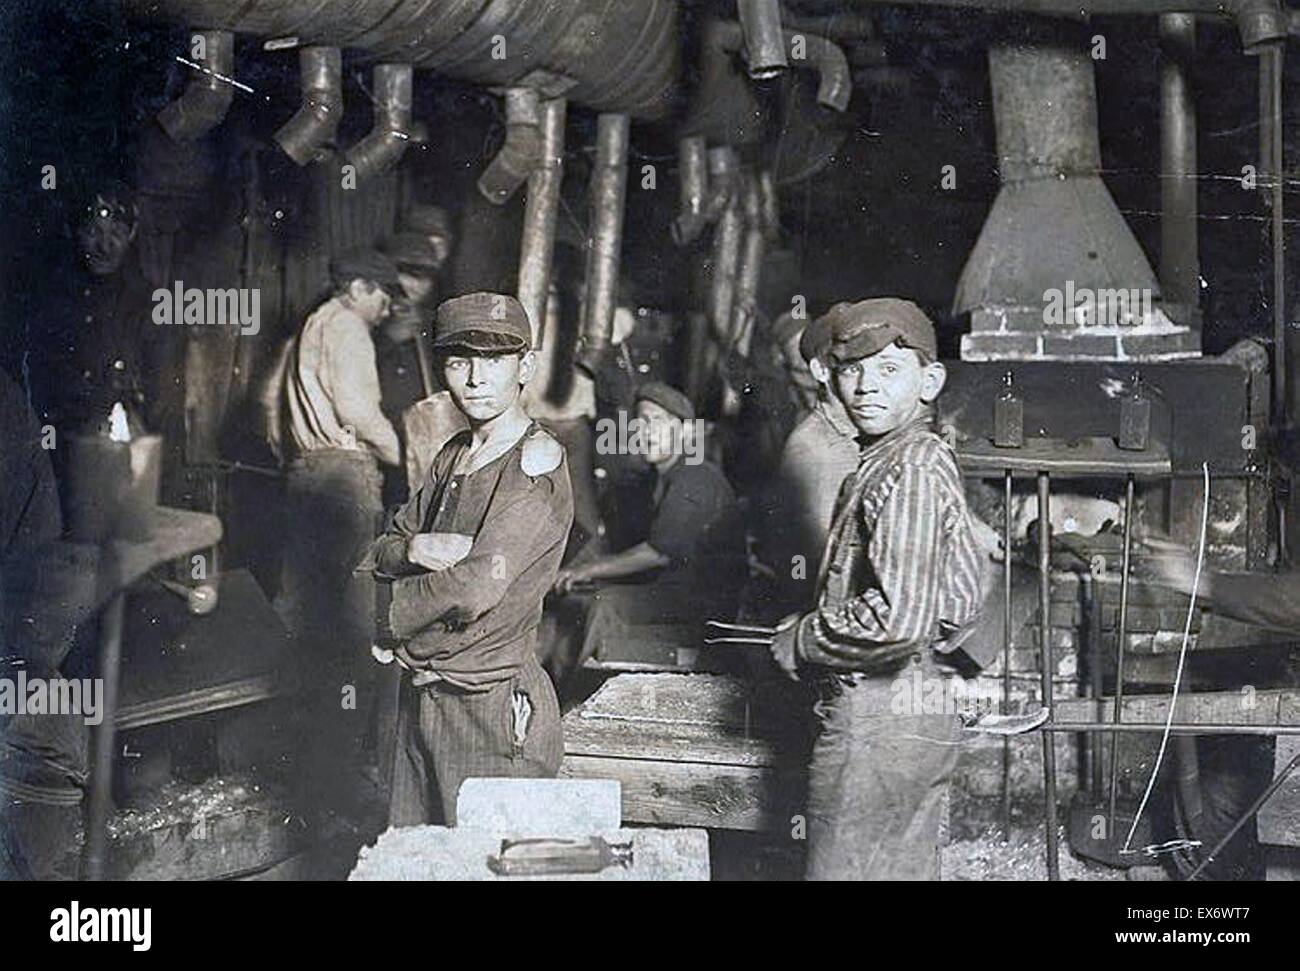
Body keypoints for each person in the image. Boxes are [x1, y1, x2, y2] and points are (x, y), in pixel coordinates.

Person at [767, 298, 988, 881]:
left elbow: (897, 620)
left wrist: (804, 638)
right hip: (917, 708)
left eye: (889, 369)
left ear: (930, 381)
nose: (866, 386)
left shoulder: (906, 469)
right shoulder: (911, 458)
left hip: (878, 720)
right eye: (852, 369)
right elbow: (962, 598)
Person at [360, 292, 573, 826]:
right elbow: (386, 544)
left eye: (494, 361)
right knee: (411, 857)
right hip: (424, 697)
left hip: (488, 707)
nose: (475, 379)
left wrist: (380, 612)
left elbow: (476, 587)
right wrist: (414, 548)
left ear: (524, 367)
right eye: (459, 361)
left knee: (482, 863)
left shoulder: (534, 466)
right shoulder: (455, 453)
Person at [277, 248, 403, 822]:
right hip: (345, 478)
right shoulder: (350, 326)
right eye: (381, 293)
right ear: (356, 287)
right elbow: (357, 406)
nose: (386, 306)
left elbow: (265, 406)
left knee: (303, 617)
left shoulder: (312, 323)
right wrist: (407, 454)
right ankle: (347, 780)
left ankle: (296, 769)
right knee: (354, 629)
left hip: (304, 473)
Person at [552, 381, 747, 673]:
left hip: (703, 608)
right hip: (680, 594)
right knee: (589, 602)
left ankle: (578, 694)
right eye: (640, 424)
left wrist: (584, 570)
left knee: (608, 604)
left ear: (684, 432)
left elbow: (659, 552)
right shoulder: (665, 477)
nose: (645, 432)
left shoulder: (695, 477)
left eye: (656, 422)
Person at [758, 313, 861, 618]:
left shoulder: (858, 431)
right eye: (847, 365)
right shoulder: (811, 447)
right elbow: (809, 556)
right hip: (835, 613)